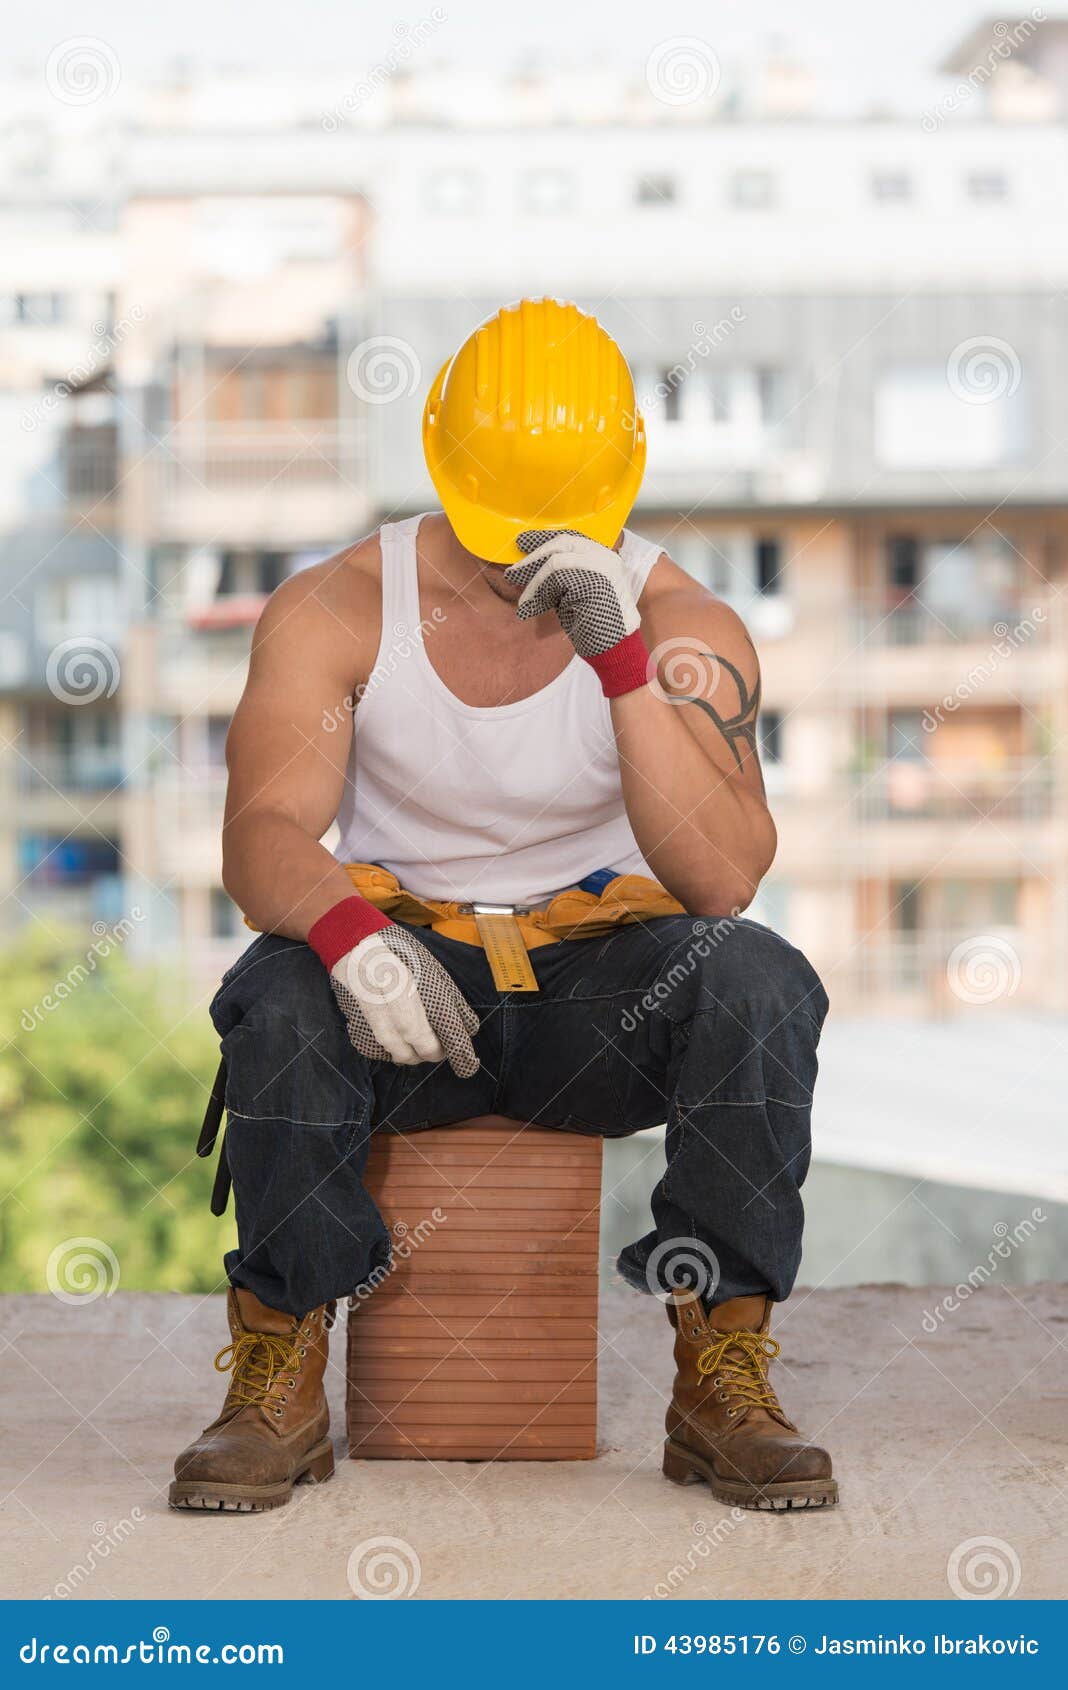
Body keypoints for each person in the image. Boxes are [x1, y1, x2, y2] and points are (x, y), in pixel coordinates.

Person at [170, 298, 835, 1516]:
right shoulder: (337, 604)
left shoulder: (686, 629)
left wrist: (619, 659)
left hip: (600, 992)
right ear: (440, 468)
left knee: (757, 977)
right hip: (399, 993)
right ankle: (278, 1370)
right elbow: (259, 836)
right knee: (276, 995)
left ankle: (720, 1379)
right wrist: (350, 936)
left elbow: (723, 880)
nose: (518, 549)